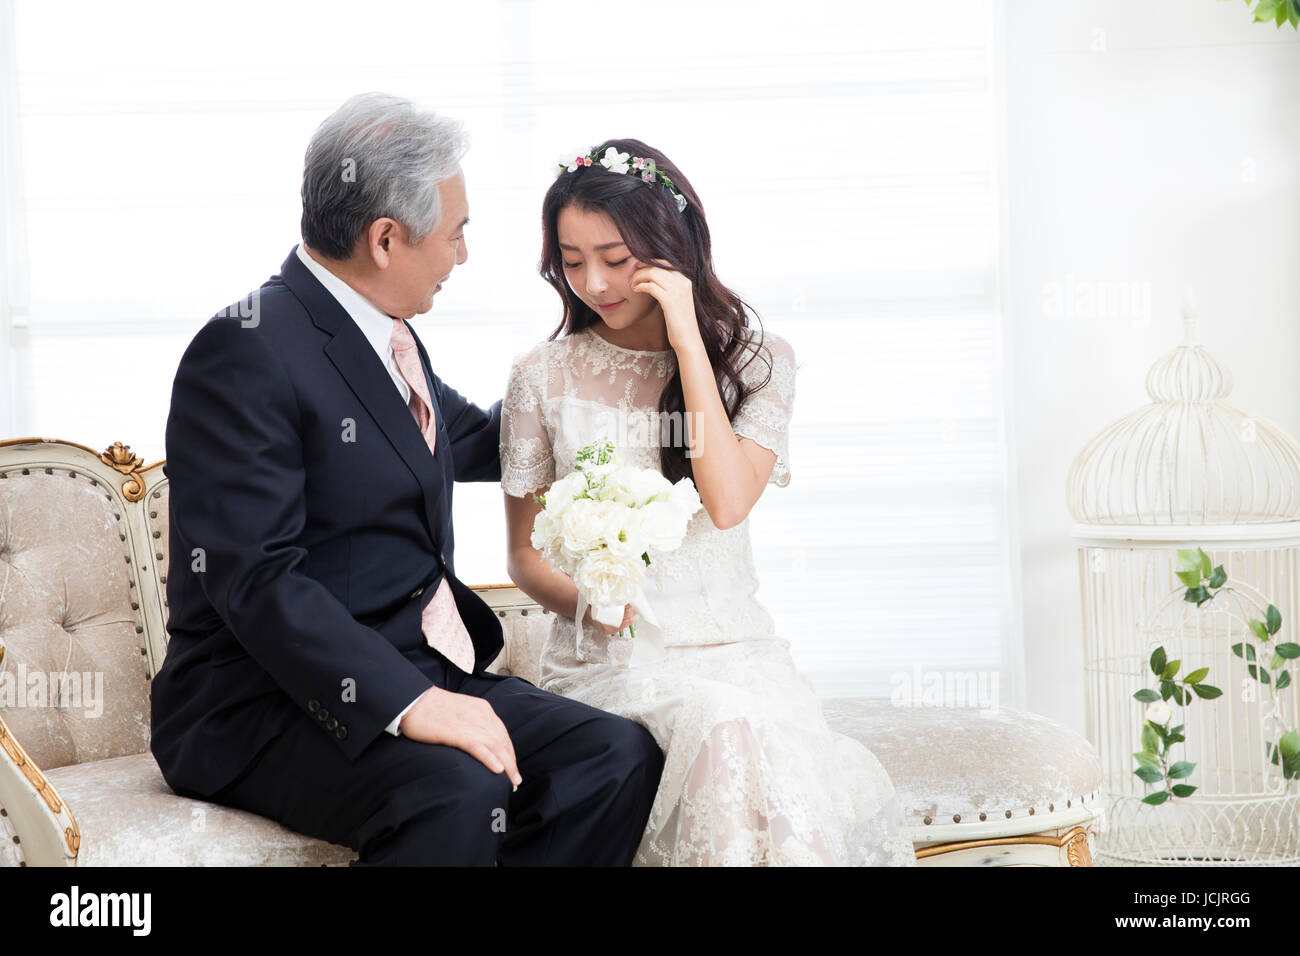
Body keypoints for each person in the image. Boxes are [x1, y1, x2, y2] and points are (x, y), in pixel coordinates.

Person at [150, 95, 663, 866]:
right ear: (386, 239)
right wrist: (410, 702)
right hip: (260, 703)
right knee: (458, 788)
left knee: (614, 756)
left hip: (413, 666)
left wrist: (618, 350)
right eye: (456, 232)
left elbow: (480, 440)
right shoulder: (245, 350)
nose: (463, 254)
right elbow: (257, 579)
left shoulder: (386, 333)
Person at [501, 139, 916, 866]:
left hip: (739, 656)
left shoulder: (761, 361)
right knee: (723, 726)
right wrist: (595, 606)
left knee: (750, 733)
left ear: (672, 248)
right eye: (571, 260)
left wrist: (689, 344)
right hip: (611, 662)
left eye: (615, 258)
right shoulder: (542, 374)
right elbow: (523, 555)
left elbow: (725, 502)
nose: (593, 282)